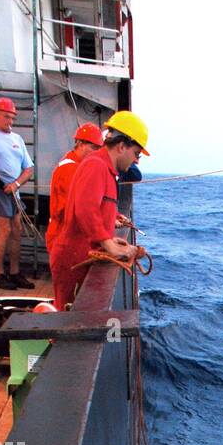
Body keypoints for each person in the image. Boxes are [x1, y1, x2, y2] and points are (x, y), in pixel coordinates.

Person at [49, 111, 150, 311]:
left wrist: (109, 239)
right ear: (122, 146)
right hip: (73, 258)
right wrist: (109, 244)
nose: (137, 160)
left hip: (82, 254)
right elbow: (85, 209)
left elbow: (96, 209)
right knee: (67, 318)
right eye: (137, 153)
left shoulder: (104, 168)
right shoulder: (96, 165)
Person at [0, 96, 36, 290]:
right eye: (6, 117)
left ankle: (14, 272)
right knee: (4, 230)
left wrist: (16, 184)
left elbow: (28, 169)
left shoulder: (17, 139)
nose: (10, 121)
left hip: (13, 191)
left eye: (12, 117)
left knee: (16, 230)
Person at [45, 122, 104, 257]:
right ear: (80, 144)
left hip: (70, 238)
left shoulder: (78, 166)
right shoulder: (69, 169)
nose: (97, 153)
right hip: (64, 240)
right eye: (94, 148)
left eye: (99, 149)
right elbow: (80, 207)